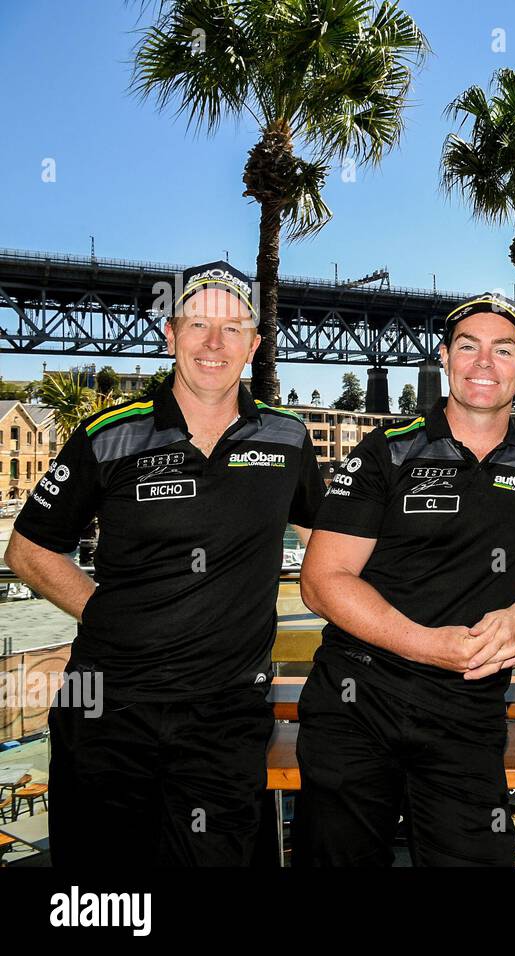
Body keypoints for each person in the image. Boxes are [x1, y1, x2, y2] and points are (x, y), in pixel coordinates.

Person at [5, 260, 323, 865]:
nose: (213, 343)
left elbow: (331, 539)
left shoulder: (288, 439)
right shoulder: (110, 434)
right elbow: (29, 549)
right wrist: (107, 611)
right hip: (108, 708)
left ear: (254, 346)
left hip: (225, 713)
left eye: (232, 329)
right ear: (170, 333)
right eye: (198, 323)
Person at [294, 292, 515, 866]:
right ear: (445, 358)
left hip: (467, 708)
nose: (484, 362)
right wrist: (430, 646)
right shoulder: (386, 452)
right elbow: (322, 581)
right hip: (358, 700)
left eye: (503, 350)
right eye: (468, 347)